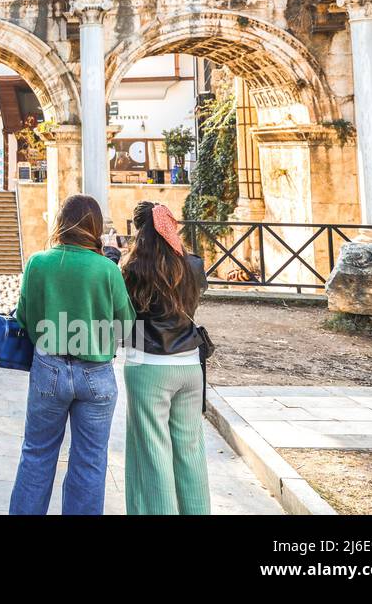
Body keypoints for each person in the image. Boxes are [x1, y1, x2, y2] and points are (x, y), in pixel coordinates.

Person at [9, 194, 135, 515]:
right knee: (90, 462)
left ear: (61, 223)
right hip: (96, 374)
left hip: (49, 367)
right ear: (95, 228)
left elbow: (23, 317)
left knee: (37, 454)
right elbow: (127, 324)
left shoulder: (39, 264)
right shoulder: (107, 270)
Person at [120, 201, 212, 514]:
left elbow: (123, 319)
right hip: (189, 364)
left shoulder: (132, 269)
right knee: (190, 449)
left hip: (149, 364)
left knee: (153, 450)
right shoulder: (194, 264)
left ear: (138, 229)